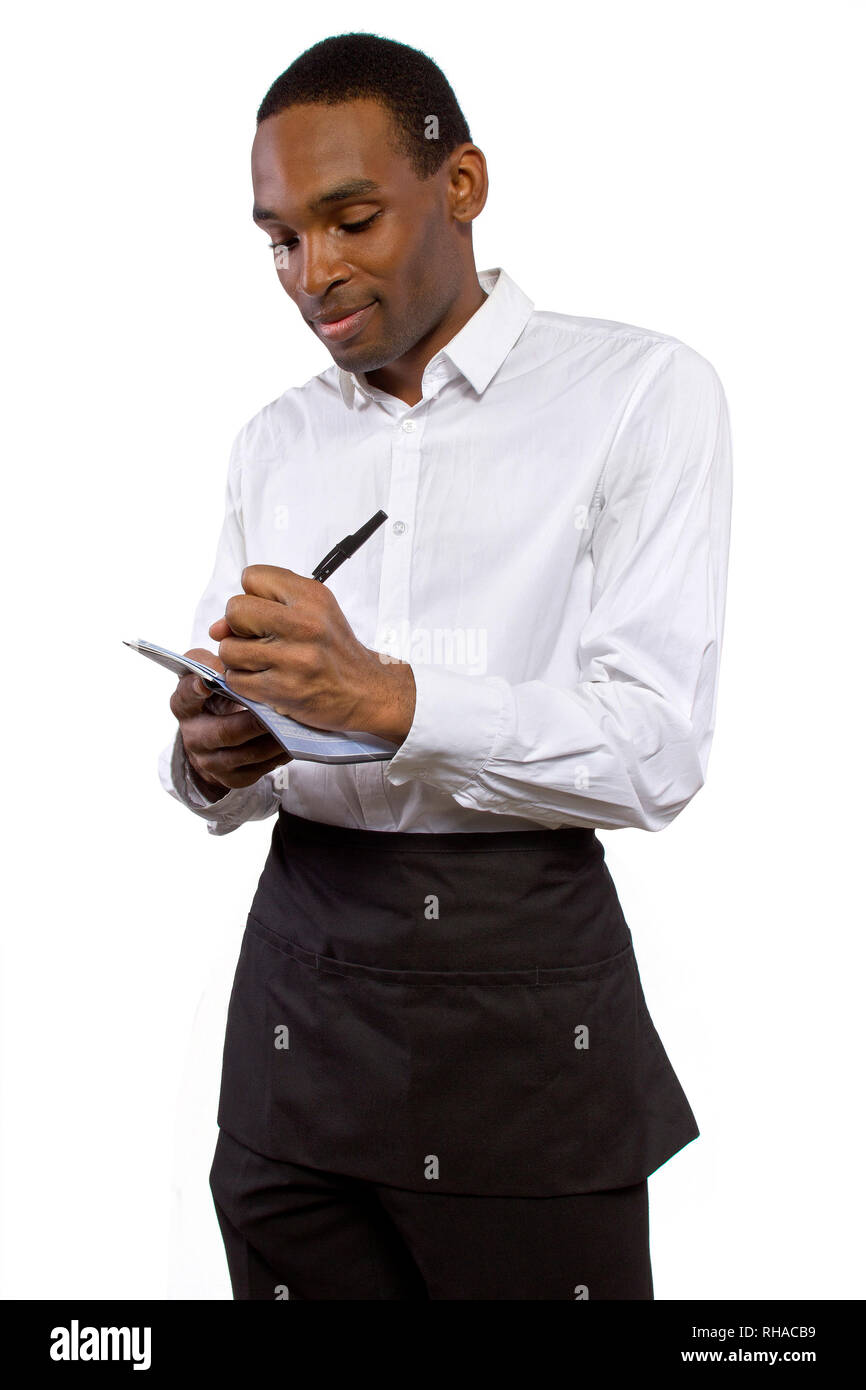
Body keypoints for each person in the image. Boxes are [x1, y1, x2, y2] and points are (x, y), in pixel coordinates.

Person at [158, 31, 733, 1301]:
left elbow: (655, 750)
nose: (314, 272)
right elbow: (215, 756)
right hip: (294, 1006)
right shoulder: (276, 439)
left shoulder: (638, 394)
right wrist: (211, 755)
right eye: (280, 240)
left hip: (520, 1008)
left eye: (349, 217)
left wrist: (388, 698)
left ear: (460, 184)